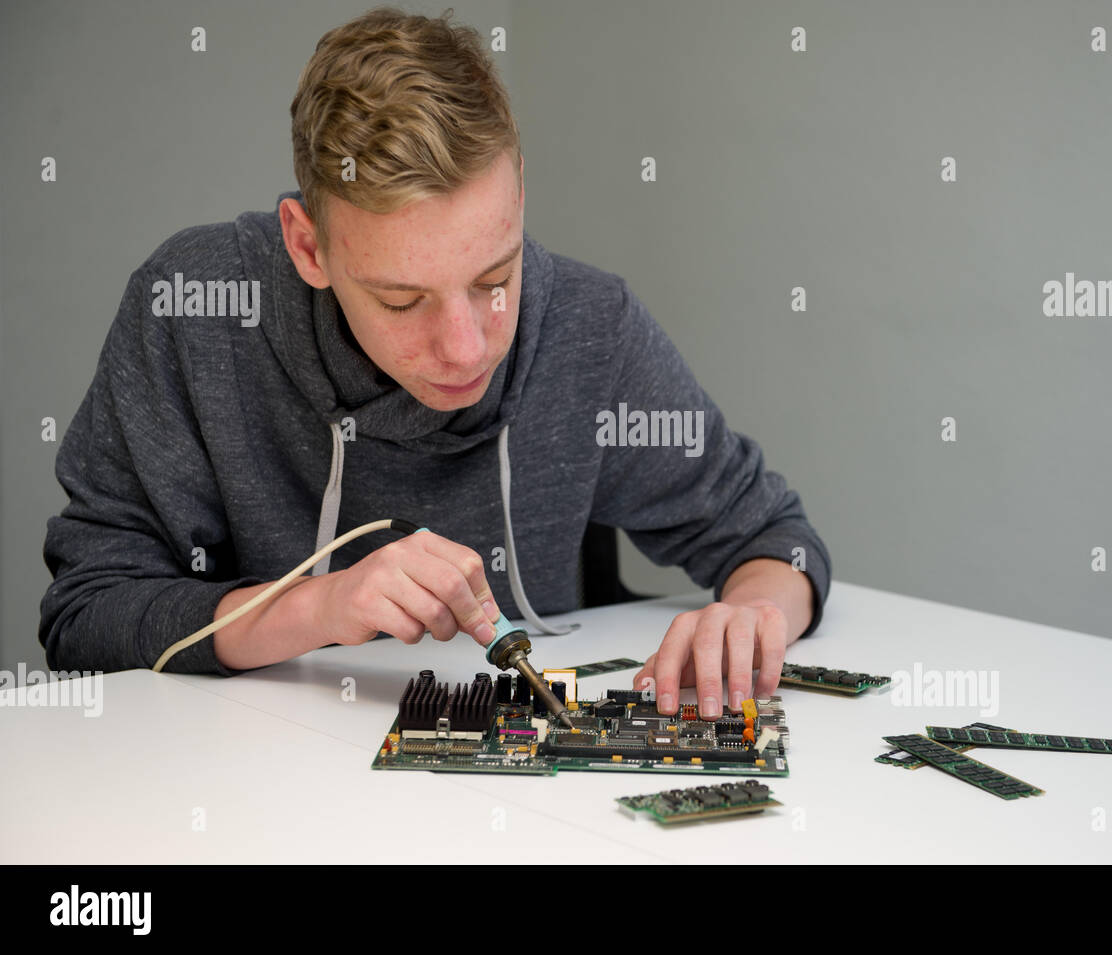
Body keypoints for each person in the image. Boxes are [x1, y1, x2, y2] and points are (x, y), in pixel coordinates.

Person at [38, 7, 830, 721]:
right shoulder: (196, 309)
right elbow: (86, 614)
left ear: (519, 200)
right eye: (400, 299)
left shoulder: (591, 326)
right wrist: (319, 606)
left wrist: (753, 614)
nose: (466, 348)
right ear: (307, 245)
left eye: (494, 280)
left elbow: (773, 538)